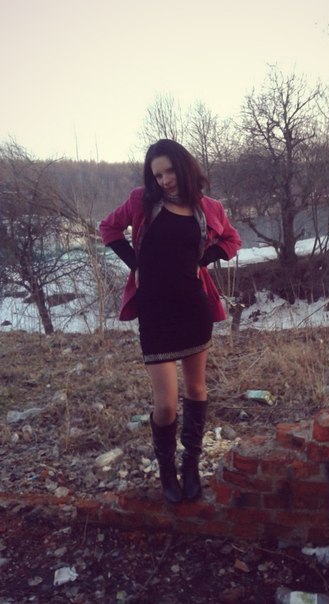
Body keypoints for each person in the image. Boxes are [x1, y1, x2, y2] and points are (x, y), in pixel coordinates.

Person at [99, 139, 241, 503]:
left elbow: (231, 239)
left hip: (193, 308)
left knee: (197, 389)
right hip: (155, 311)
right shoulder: (141, 202)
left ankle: (190, 465)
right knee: (165, 404)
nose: (164, 180)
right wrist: (135, 264)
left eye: (169, 171)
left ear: (184, 167)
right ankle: (166, 470)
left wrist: (204, 259)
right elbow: (108, 229)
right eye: (157, 175)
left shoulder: (208, 207)